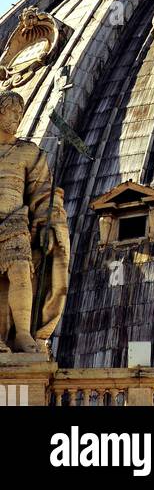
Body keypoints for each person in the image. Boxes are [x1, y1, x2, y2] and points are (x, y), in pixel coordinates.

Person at [0, 90, 70, 353]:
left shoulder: (28, 152)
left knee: (20, 274)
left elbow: (43, 193)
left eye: (20, 113)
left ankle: (22, 334)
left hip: (16, 222)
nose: (18, 117)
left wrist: (48, 223)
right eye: (12, 112)